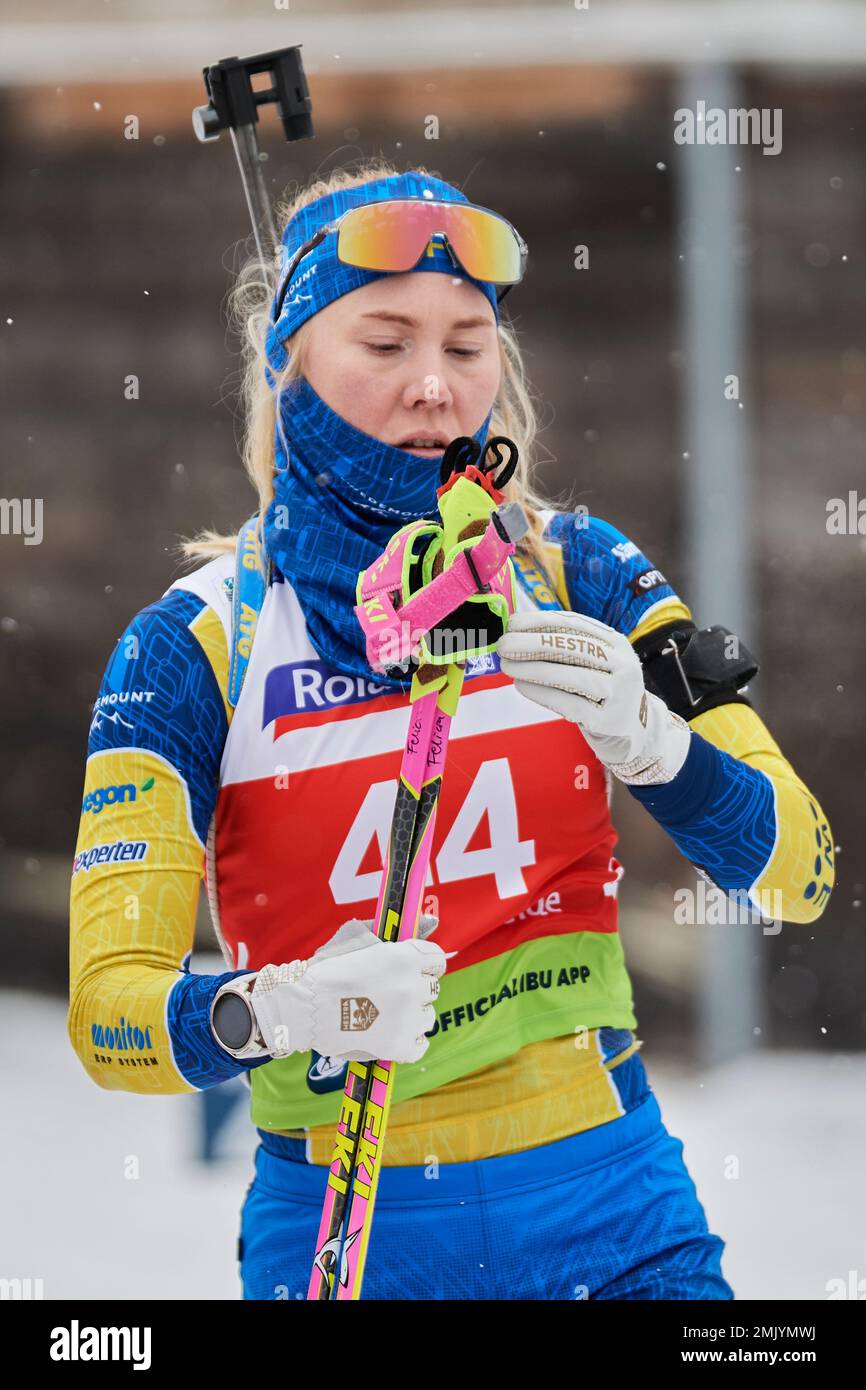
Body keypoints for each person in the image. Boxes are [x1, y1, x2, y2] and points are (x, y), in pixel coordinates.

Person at [68, 159, 834, 1301]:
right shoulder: (198, 644)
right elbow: (105, 1018)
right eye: (383, 344)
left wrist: (654, 745)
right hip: (346, 1224)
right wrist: (266, 1007)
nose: (433, 387)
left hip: (610, 1214)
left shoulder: (579, 570)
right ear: (289, 367)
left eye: (467, 347)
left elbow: (797, 873)